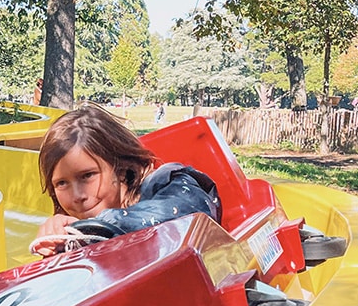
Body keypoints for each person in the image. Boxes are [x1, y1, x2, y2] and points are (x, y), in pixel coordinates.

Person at [32, 105, 221, 257]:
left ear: (121, 170)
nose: (77, 196)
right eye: (62, 183)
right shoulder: (77, 234)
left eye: (88, 175)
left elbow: (187, 214)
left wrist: (96, 229)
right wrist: (56, 241)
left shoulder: (171, 183)